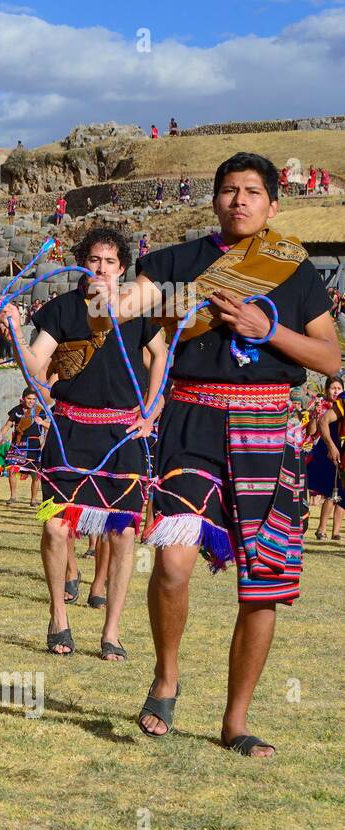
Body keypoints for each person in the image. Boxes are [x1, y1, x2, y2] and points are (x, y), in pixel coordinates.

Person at [123, 152, 340, 756]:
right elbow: (126, 305)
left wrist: (264, 329)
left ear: (273, 204)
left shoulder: (294, 271)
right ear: (214, 200)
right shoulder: (179, 262)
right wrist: (95, 302)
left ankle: (235, 721)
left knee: (263, 584)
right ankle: (166, 677)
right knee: (170, 560)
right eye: (227, 190)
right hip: (191, 419)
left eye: (251, 191)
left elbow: (328, 358)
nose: (238, 200)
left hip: (267, 427)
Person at [0, 226, 167, 660]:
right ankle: (59, 615)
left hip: (122, 432)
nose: (101, 268)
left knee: (124, 533)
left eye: (110, 262)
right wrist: (16, 332)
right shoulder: (61, 309)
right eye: (94, 259)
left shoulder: (141, 310)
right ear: (81, 263)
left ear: (123, 269)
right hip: (69, 428)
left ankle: (111, 631)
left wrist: (150, 413)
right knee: (56, 527)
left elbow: (162, 359)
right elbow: (37, 367)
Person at [306, 377, 344, 539]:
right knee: (331, 492)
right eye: (333, 388)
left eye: (339, 388)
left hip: (341, 450)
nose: (336, 391)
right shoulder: (322, 406)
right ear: (327, 389)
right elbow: (312, 432)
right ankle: (321, 528)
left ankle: (336, 532)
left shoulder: (340, 404)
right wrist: (314, 414)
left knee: (340, 495)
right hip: (327, 452)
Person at [2, 388, 48, 508]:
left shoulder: (39, 411)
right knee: (11, 470)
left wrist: (42, 424)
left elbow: (49, 427)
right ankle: (13, 497)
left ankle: (33, 500)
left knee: (35, 474)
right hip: (17, 444)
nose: (31, 401)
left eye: (33, 399)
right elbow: (8, 425)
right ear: (23, 398)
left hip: (34, 446)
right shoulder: (16, 410)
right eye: (29, 398)